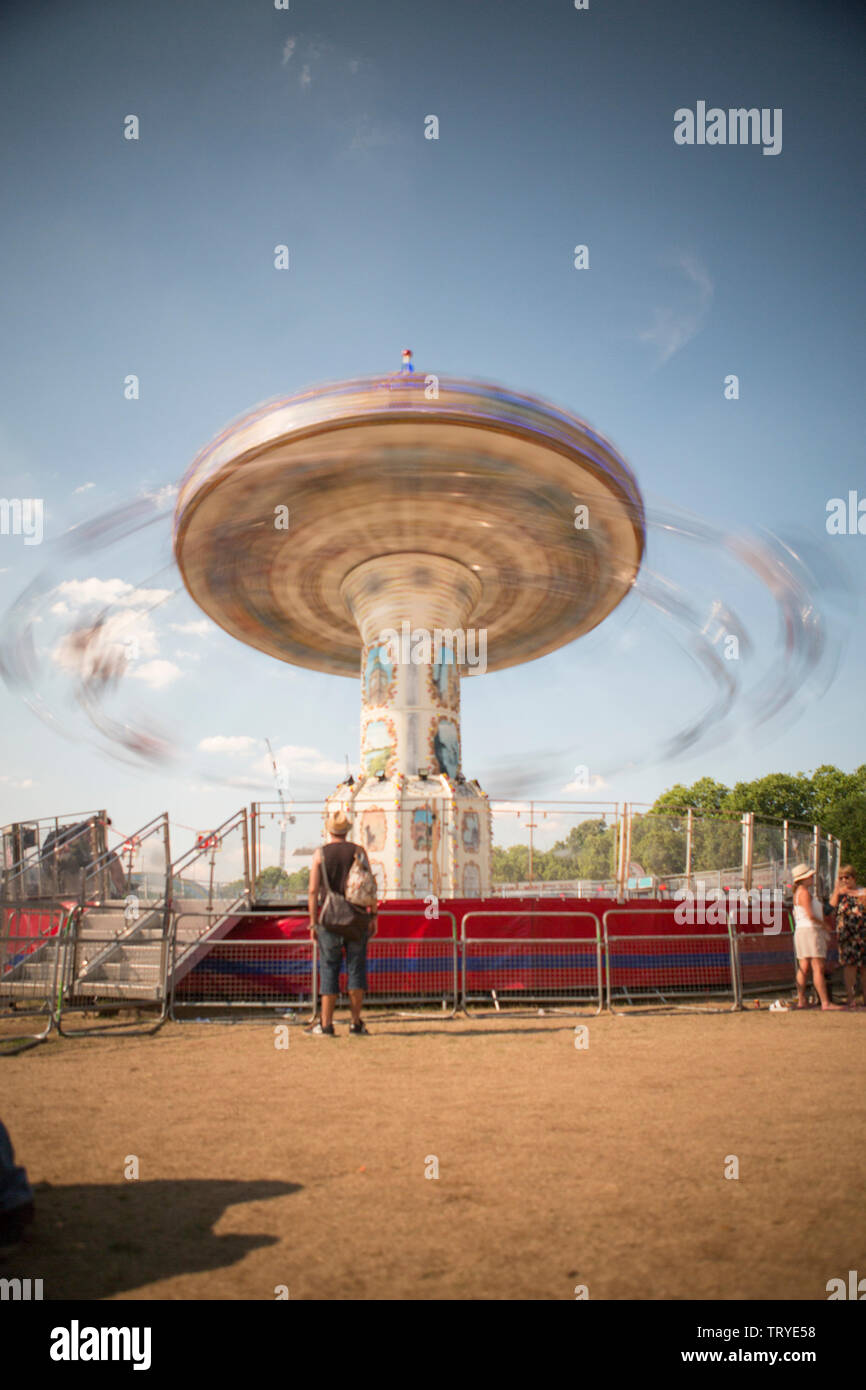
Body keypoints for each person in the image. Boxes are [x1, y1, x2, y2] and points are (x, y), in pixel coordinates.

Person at [306, 812, 377, 1036]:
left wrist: (312, 923)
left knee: (329, 969)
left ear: (329, 830)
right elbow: (369, 885)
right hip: (356, 918)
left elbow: (312, 891)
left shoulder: (320, 854)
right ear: (347, 830)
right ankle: (356, 1023)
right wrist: (373, 915)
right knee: (356, 969)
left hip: (329, 919)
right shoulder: (358, 851)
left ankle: (326, 1024)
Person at [792, 863, 843, 1010]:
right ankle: (825, 1002)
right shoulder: (805, 893)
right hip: (811, 930)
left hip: (801, 930)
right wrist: (824, 925)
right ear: (804, 878)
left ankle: (802, 1000)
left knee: (804, 966)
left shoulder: (798, 893)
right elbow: (811, 915)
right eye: (810, 876)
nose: (812, 878)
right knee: (817, 967)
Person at [830, 864, 866, 1009]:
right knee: (849, 967)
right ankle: (851, 998)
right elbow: (830, 909)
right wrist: (836, 891)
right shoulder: (840, 894)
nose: (845, 880)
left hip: (862, 934)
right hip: (847, 936)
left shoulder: (863, 891)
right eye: (841, 878)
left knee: (864, 967)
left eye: (847, 877)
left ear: (854, 877)